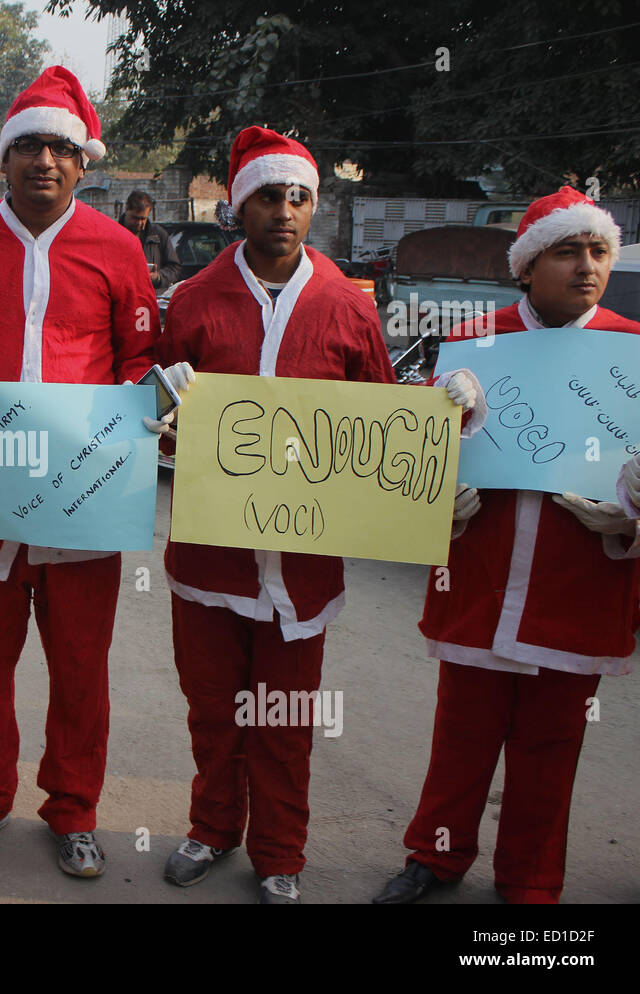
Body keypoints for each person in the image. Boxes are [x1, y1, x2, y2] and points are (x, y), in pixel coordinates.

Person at [156, 126, 480, 904]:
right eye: (269, 195)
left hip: (301, 568)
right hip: (209, 558)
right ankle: (211, 828)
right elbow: (153, 410)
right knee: (213, 712)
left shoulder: (345, 305)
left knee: (286, 719)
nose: (285, 210)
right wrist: (160, 406)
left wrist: (445, 412)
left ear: (313, 207)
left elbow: (379, 423)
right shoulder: (194, 302)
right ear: (240, 206)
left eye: (299, 197)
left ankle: (279, 852)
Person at [0, 66, 166, 878]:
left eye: (59, 148)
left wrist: (152, 399)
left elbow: (139, 356)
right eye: (28, 147)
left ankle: (74, 809)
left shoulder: (118, 249)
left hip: (84, 497)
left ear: (83, 163)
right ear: (4, 159)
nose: (43, 160)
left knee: (80, 668)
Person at [374, 187, 640, 905]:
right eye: (567, 252)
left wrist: (632, 523)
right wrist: (438, 503)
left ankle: (530, 879)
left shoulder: (634, 351)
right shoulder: (474, 345)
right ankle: (434, 857)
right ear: (526, 267)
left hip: (579, 586)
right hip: (481, 577)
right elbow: (417, 468)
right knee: (461, 737)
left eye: (598, 251)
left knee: (552, 747)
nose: (586, 267)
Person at [121, 190, 180, 292]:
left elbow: (174, 268)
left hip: (150, 296)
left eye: (143, 219)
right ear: (126, 209)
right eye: (135, 218)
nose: (139, 223)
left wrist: (158, 277)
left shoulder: (159, 235)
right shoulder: (112, 234)